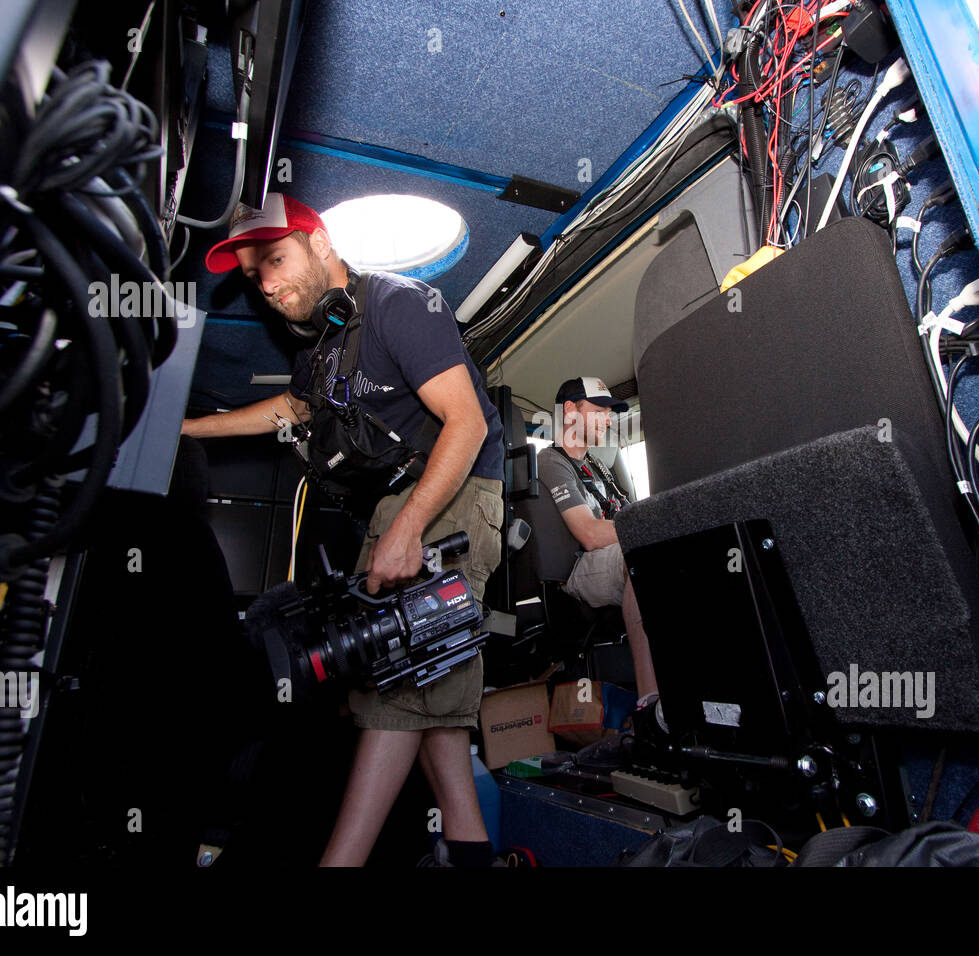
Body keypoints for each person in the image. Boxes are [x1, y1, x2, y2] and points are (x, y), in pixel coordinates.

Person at [183, 193, 506, 867]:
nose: (265, 284)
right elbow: (289, 408)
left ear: (321, 243)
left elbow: (468, 423)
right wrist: (183, 429)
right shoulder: (323, 351)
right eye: (252, 276)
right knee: (436, 709)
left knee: (394, 686)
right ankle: (473, 854)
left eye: (274, 259)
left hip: (447, 496)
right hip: (399, 511)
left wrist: (409, 526)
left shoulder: (399, 303)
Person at [536, 377, 659, 707]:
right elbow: (589, 534)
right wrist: (647, 527)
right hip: (582, 567)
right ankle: (651, 700)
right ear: (571, 410)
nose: (608, 418)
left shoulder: (598, 465)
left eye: (611, 412)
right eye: (600, 410)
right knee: (640, 557)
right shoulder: (552, 460)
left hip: (610, 553)